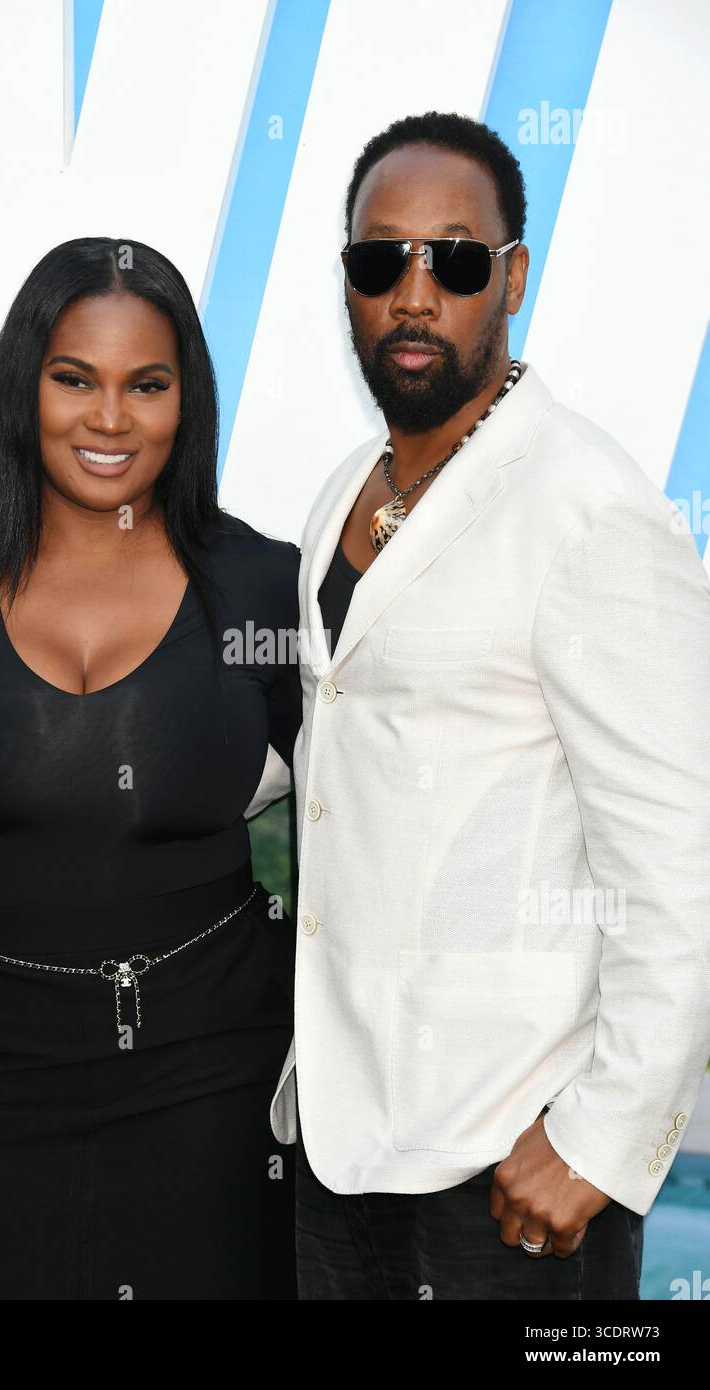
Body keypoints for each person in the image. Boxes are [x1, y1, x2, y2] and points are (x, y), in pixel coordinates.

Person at [268, 111, 710, 1299]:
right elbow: (325, 751)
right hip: (338, 1147)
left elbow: (679, 861)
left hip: (508, 1172)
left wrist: (600, 1142)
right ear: (347, 285)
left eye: (454, 260)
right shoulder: (342, 493)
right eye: (379, 261)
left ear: (511, 276)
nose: (414, 293)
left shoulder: (588, 510)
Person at [0, 237, 302, 1299]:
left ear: (187, 398)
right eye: (73, 379)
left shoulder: (263, 591)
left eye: (146, 384)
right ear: (24, 385)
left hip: (218, 1102)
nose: (108, 418)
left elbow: (354, 836)